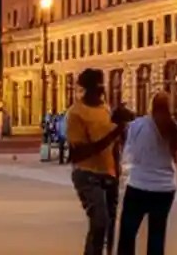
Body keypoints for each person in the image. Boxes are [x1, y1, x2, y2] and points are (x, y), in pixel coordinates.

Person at [67, 69, 126, 255]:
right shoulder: (76, 113)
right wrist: (115, 133)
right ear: (86, 89)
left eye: (102, 85)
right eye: (97, 87)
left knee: (110, 223)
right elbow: (78, 153)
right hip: (87, 174)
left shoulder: (105, 109)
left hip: (109, 173)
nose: (101, 90)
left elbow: (115, 145)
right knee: (100, 221)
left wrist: (116, 169)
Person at [116, 92, 177, 255]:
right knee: (157, 235)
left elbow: (129, 153)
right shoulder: (174, 128)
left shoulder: (137, 125)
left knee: (128, 233)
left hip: (139, 184)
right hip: (165, 187)